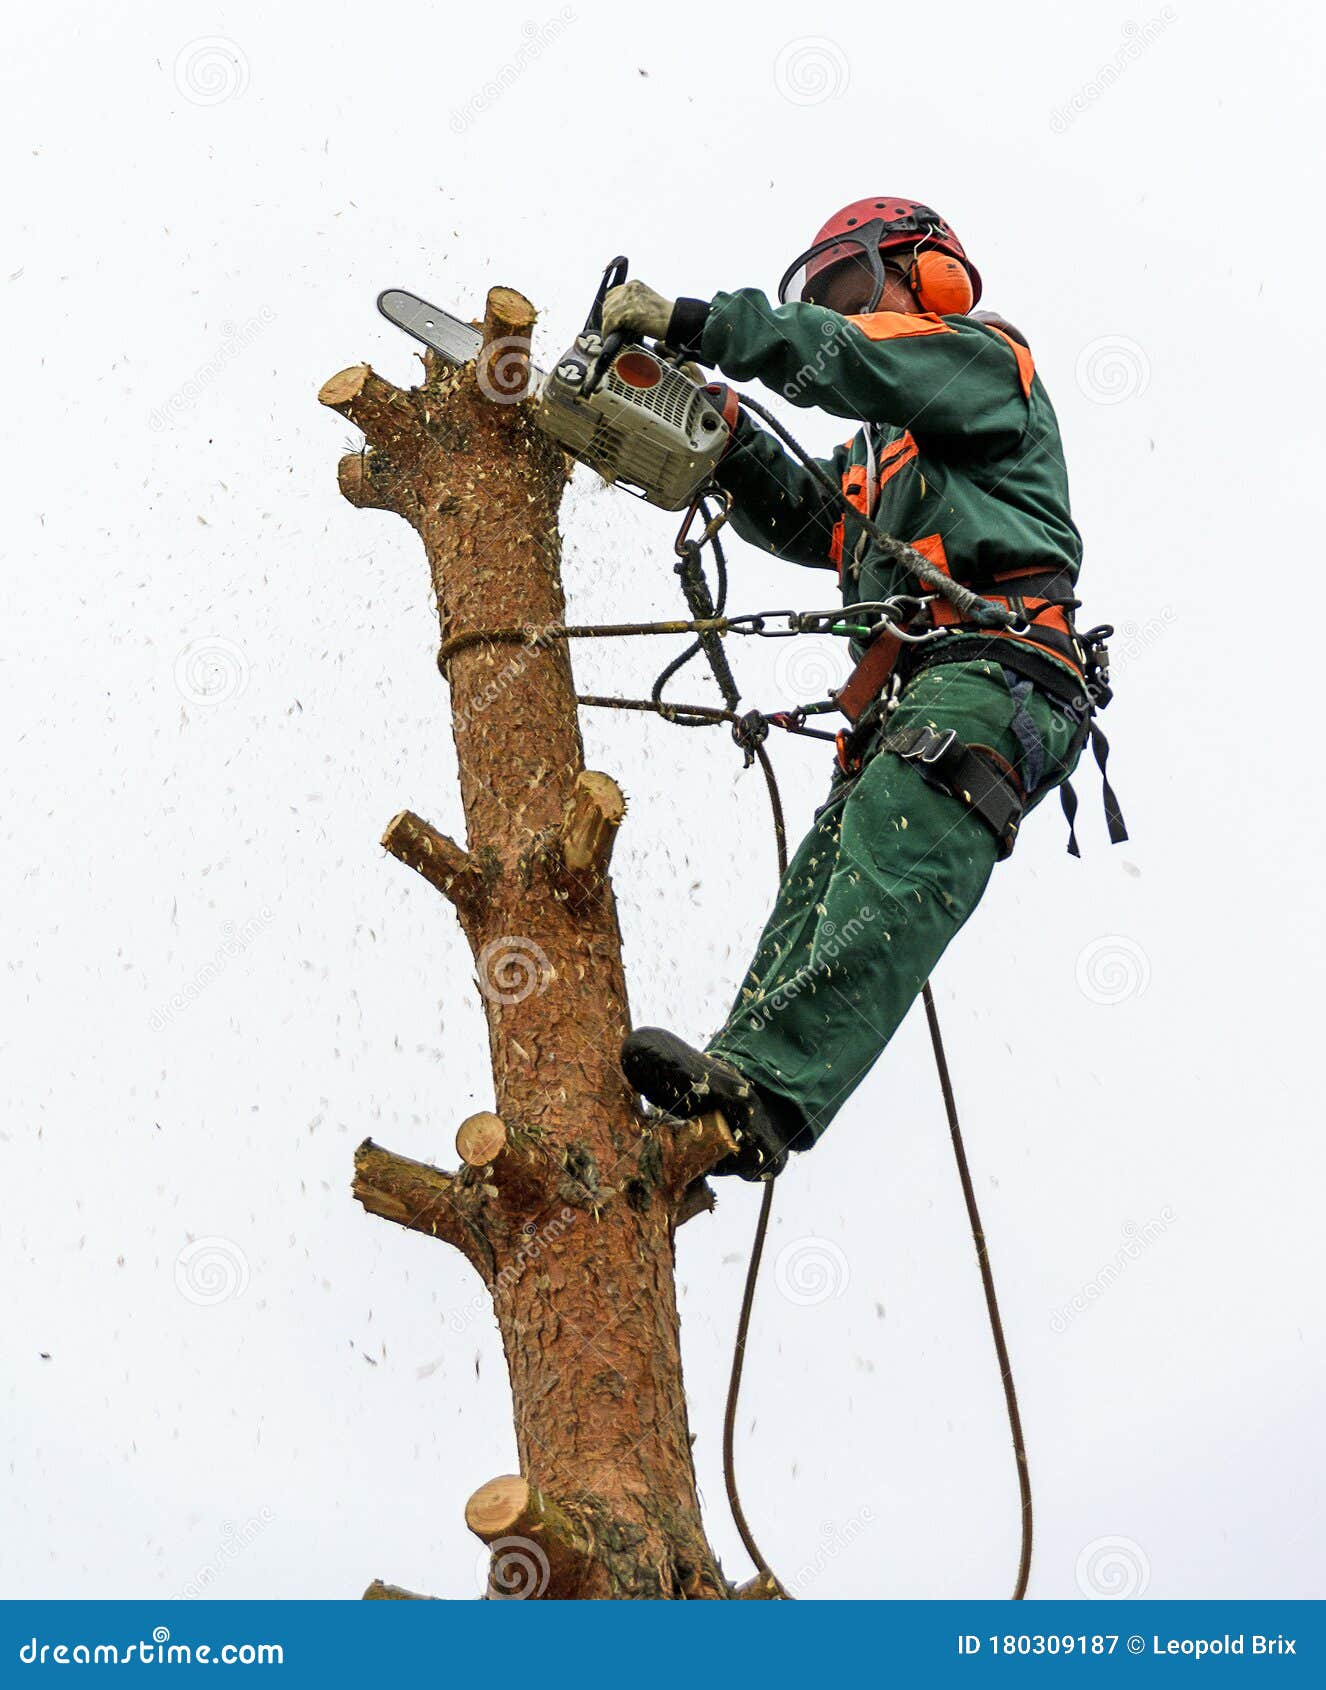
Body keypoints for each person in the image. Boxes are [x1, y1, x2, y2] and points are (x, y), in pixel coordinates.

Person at [602, 197, 1114, 1180]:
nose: (852, 315)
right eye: (834, 300)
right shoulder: (879, 460)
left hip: (993, 676)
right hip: (909, 695)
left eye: (858, 291)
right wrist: (713, 427)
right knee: (823, 881)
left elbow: (851, 357)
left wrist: (700, 322)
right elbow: (808, 516)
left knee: (891, 853)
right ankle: (729, 1093)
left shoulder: (977, 364)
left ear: (926, 279)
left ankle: (771, 1093)